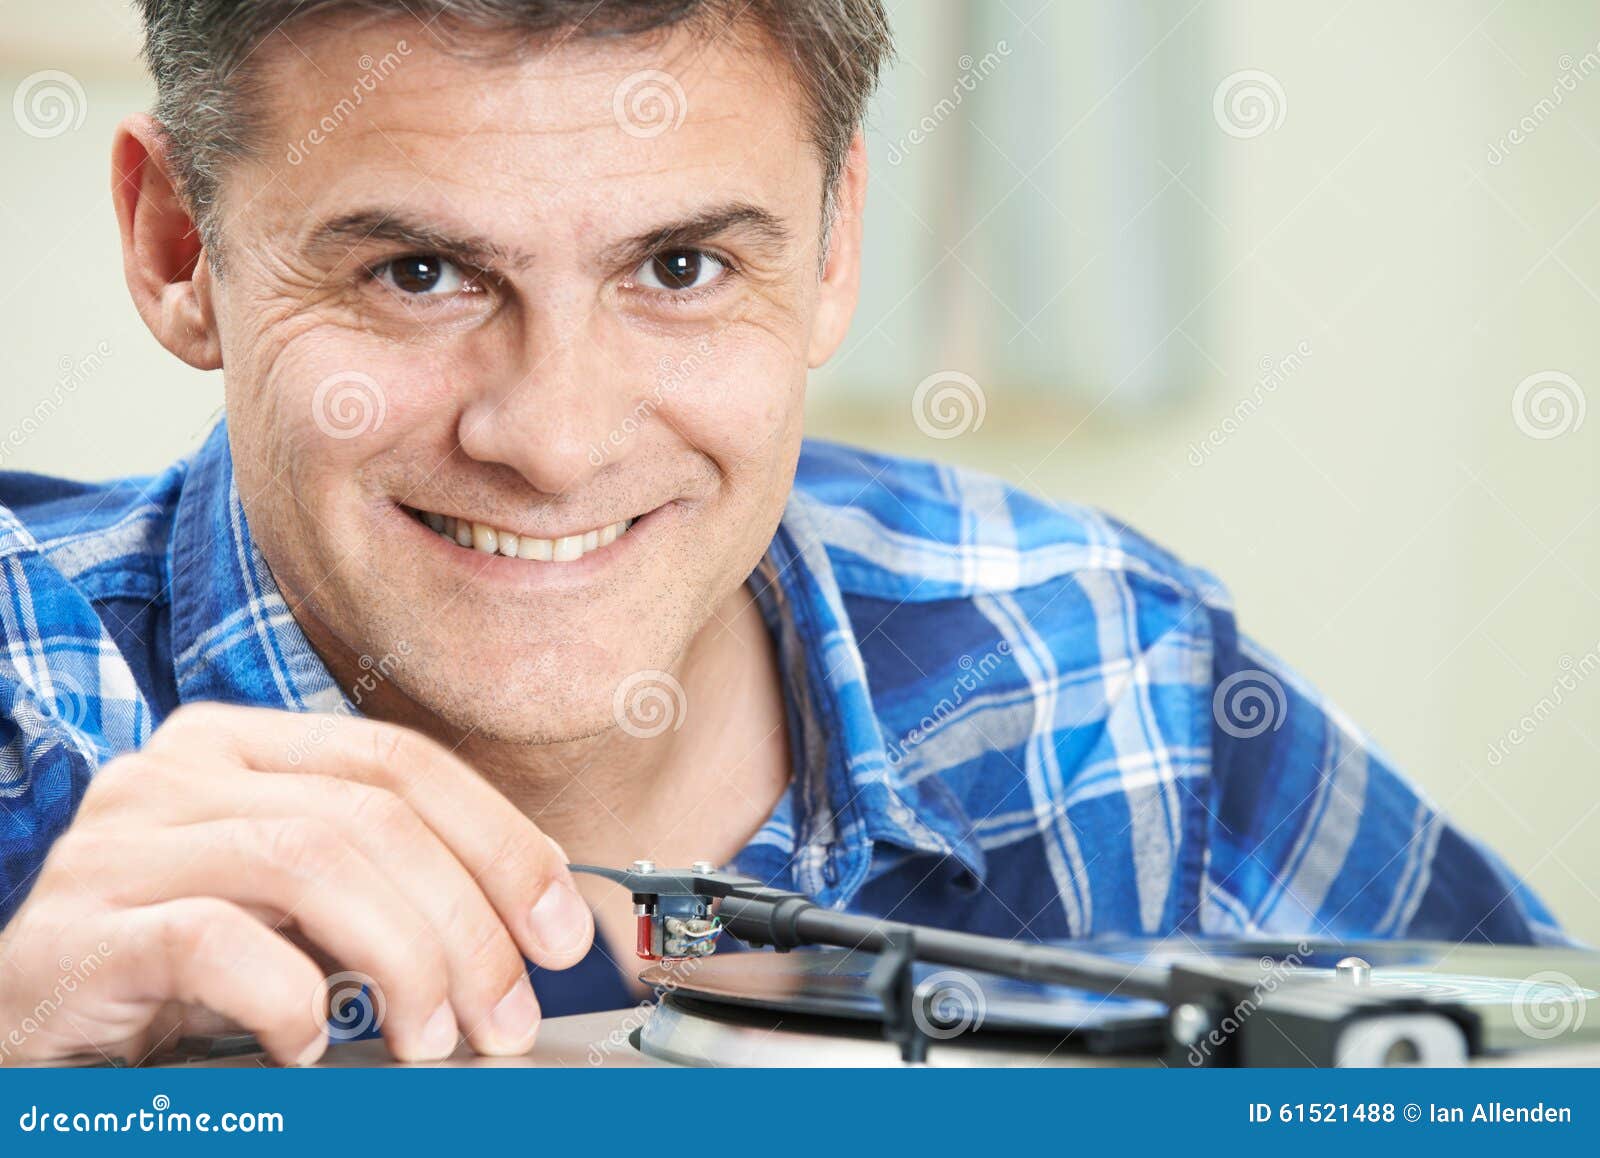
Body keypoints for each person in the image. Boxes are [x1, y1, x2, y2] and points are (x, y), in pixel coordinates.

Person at [0, 0, 1560, 1068]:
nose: (554, 438)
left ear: (832, 250)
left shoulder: (1115, 675)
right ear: (178, 246)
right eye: (418, 273)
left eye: (677, 265)